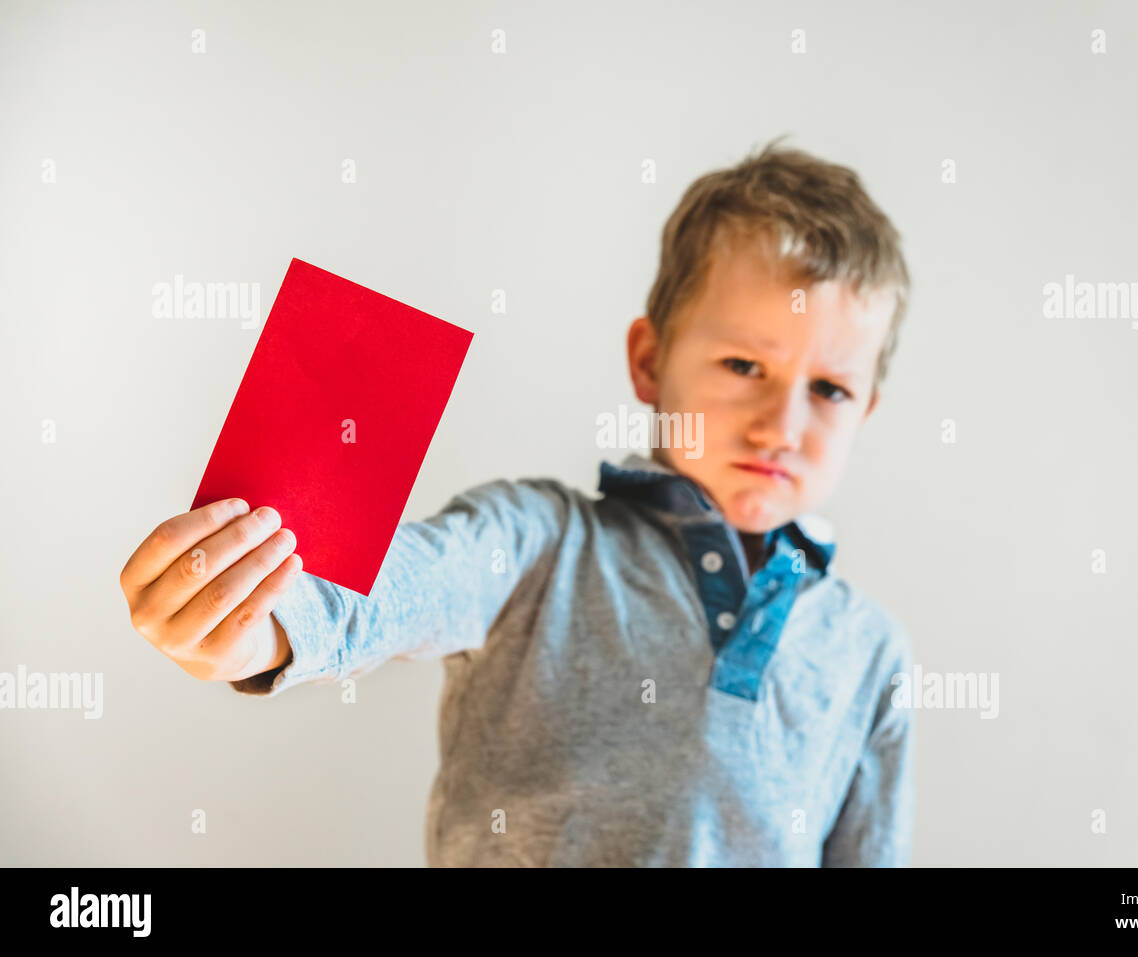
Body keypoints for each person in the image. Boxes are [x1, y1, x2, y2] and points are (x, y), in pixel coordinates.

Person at [119, 136, 916, 866]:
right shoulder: (539, 542)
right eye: (745, 364)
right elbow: (386, 588)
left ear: (867, 411)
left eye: (832, 388)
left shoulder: (872, 653)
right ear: (650, 360)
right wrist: (257, 626)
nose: (783, 425)